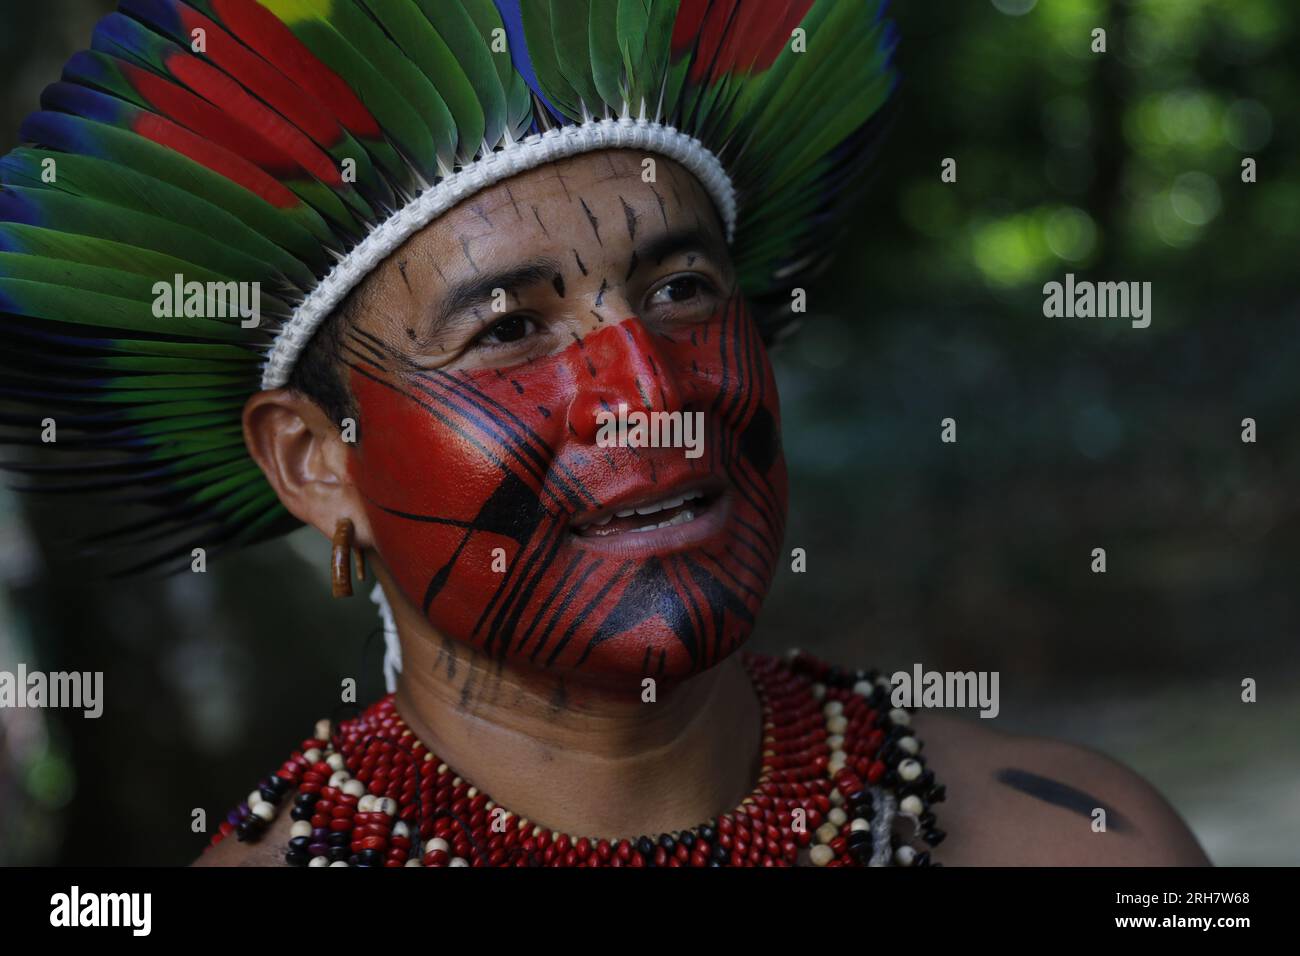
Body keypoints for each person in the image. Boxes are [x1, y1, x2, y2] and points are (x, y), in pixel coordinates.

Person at [0, 0, 1207, 868]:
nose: (650, 388)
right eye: (511, 327)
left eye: (683, 289)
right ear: (319, 463)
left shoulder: (1080, 838)